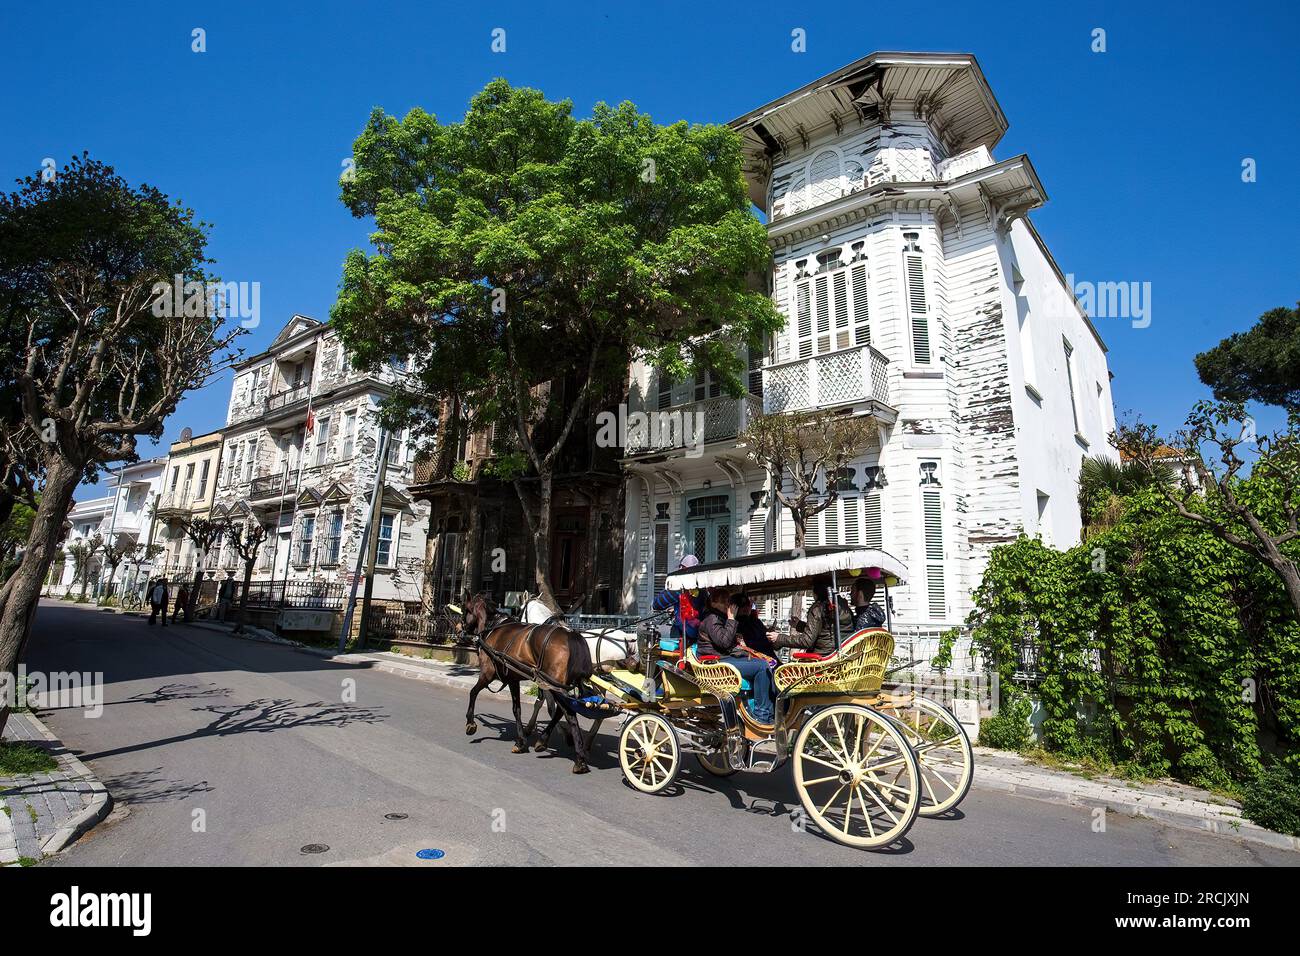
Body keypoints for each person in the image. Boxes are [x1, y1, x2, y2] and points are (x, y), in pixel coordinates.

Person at [696, 589, 775, 724]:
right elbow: (724, 642)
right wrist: (731, 619)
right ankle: (762, 714)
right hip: (716, 662)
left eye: (729, 602)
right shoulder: (712, 619)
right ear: (714, 603)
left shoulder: (719, 617)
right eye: (725, 602)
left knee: (764, 663)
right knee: (762, 667)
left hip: (723, 658)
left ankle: (769, 711)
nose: (729, 605)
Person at [774, 574, 853, 658]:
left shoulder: (818, 608)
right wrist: (799, 625)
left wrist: (779, 638)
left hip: (822, 658)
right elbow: (825, 630)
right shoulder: (843, 605)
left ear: (816, 591)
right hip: (840, 655)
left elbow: (807, 641)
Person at [652, 554, 705, 649]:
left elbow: (657, 604)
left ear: (682, 568)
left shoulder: (678, 589)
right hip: (700, 632)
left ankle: (640, 660)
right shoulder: (703, 588)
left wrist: (670, 588)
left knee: (644, 629)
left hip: (685, 633)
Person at [733, 593, 777, 658]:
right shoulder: (735, 623)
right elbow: (748, 644)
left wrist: (768, 633)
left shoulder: (755, 620)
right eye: (742, 606)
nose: (747, 608)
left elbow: (763, 633)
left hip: (767, 654)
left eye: (748, 605)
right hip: (756, 657)